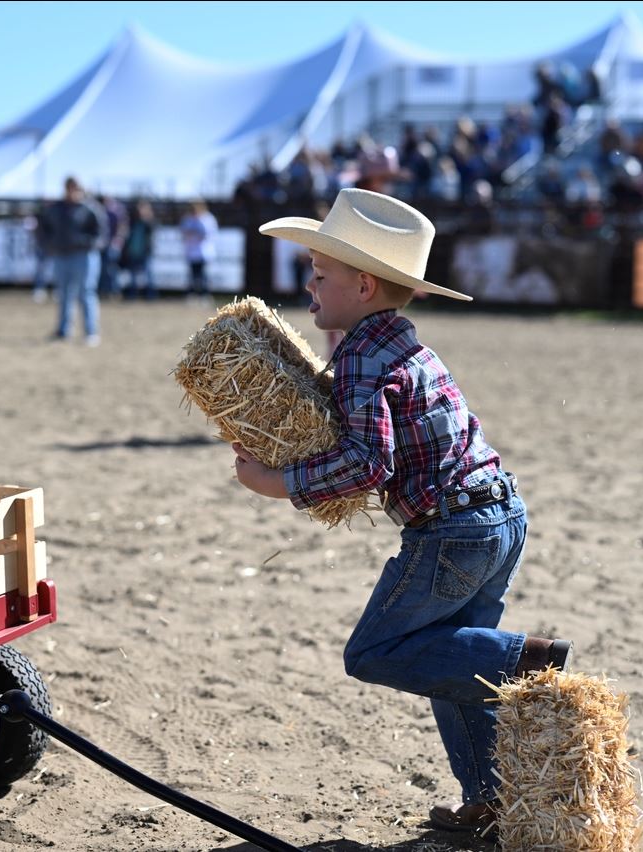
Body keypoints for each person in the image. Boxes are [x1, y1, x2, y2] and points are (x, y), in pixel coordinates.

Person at [233, 188, 573, 838]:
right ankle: (489, 801)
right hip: (501, 514)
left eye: (320, 274)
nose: (308, 286)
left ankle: (527, 664)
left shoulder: (361, 354)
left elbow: (368, 463)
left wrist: (277, 481)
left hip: (450, 530)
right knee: (448, 664)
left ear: (362, 286)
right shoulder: (403, 343)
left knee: (377, 650)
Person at [39, 176, 105, 346]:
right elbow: (43, 229)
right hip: (61, 255)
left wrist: (85, 242)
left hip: (84, 256)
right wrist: (49, 245)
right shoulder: (56, 209)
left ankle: (91, 332)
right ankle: (63, 330)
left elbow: (101, 234)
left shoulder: (90, 208)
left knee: (86, 293)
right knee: (64, 294)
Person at [180, 201, 218, 299]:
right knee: (193, 275)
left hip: (204, 252)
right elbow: (184, 232)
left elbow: (210, 233)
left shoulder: (208, 219)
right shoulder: (187, 219)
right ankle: (192, 294)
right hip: (191, 252)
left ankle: (204, 294)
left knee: (203, 275)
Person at [120, 199, 156, 300]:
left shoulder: (149, 222)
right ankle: (132, 295)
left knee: (149, 275)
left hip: (145, 253)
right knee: (133, 277)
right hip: (133, 252)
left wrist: (146, 217)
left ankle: (150, 295)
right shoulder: (132, 222)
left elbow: (152, 231)